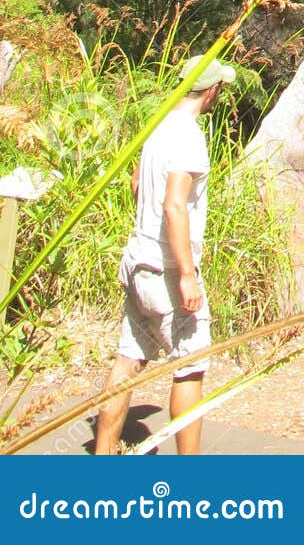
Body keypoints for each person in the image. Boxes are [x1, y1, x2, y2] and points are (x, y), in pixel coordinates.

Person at [94, 57, 235, 455]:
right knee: (190, 367)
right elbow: (174, 206)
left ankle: (103, 458)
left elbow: (138, 185)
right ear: (211, 91)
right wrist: (187, 274)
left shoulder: (157, 128)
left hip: (138, 260)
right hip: (168, 269)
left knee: (128, 360)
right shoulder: (189, 136)